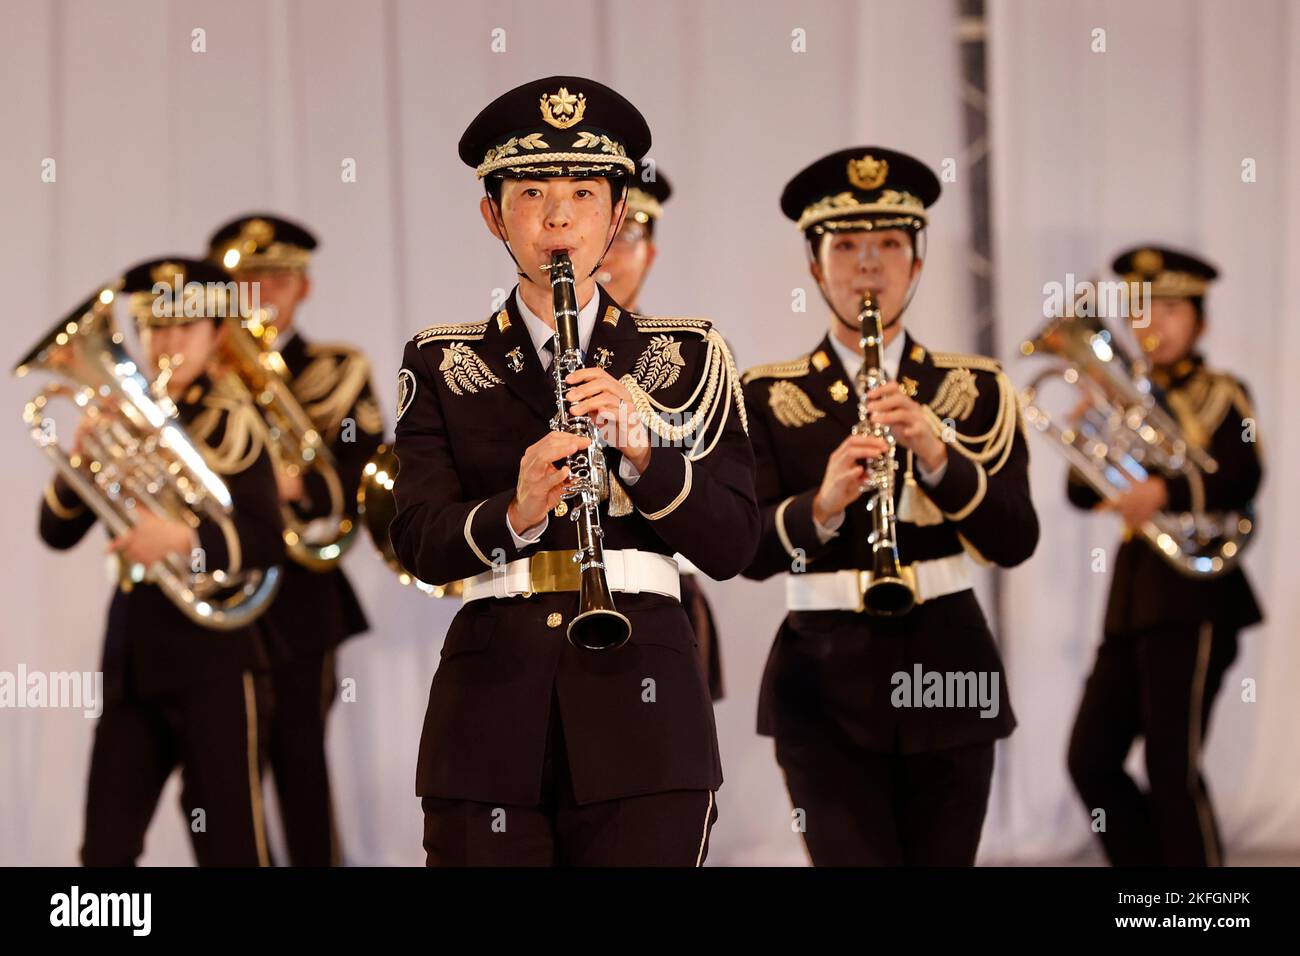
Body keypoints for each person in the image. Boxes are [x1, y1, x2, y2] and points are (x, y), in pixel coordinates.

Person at [389, 75, 758, 866]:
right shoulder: (441, 359)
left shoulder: (691, 352)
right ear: (493, 215)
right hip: (489, 716)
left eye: (584, 194)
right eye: (531, 194)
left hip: (647, 715)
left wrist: (645, 456)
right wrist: (514, 512)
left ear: (617, 215)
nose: (558, 218)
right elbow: (416, 541)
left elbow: (734, 544)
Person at [741, 147, 1038, 865]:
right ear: (816, 268)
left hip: (950, 663)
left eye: (889, 245)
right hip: (820, 677)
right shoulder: (768, 395)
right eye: (845, 246)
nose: (868, 266)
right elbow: (746, 552)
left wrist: (936, 454)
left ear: (918, 262)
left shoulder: (977, 387)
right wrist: (822, 505)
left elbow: (1015, 540)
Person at [33, 257, 285, 866]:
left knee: (231, 848)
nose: (167, 343)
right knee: (104, 851)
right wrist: (80, 460)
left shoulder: (233, 422)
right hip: (134, 656)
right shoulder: (123, 420)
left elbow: (266, 540)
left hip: (217, 661)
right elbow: (55, 533)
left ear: (216, 334)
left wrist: (181, 540)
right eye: (154, 328)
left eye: (184, 328)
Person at [1066, 245, 1263, 866]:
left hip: (1197, 598)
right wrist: (1089, 426)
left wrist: (1164, 492)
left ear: (1200, 321)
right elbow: (1081, 492)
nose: (1152, 325)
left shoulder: (1222, 394)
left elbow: (1243, 476)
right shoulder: (1120, 398)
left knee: (1171, 767)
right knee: (1090, 759)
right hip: (1134, 597)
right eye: (1141, 311)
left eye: (1171, 310)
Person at [207, 214, 384, 866]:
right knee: (220, 770)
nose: (258, 295)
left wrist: (298, 486)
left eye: (275, 280)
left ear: (303, 288)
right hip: (219, 584)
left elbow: (365, 472)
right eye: (243, 282)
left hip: (301, 594)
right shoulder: (201, 374)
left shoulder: (337, 369)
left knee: (300, 759)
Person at [595, 171, 725, 700]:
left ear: (650, 253)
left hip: (663, 602)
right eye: (601, 230)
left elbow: (725, 512)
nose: (610, 253)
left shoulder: (693, 359)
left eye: (627, 235)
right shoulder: (517, 357)